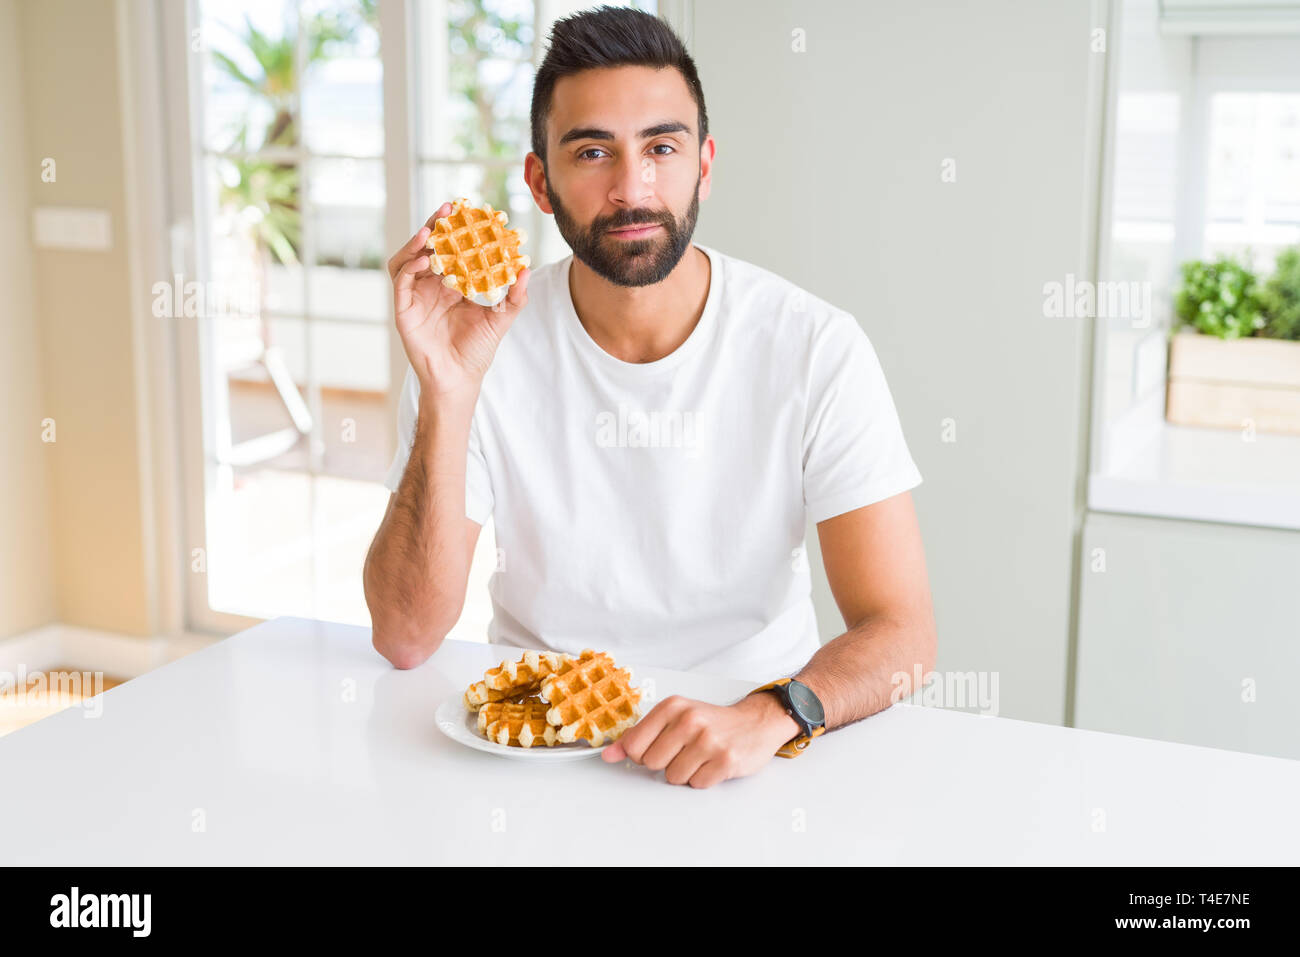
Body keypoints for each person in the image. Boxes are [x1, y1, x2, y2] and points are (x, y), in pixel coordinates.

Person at [364, 5, 936, 788]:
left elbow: (902, 631)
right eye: (592, 151)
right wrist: (448, 393)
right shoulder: (478, 349)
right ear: (539, 181)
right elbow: (403, 636)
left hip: (752, 746)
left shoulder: (815, 348)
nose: (632, 189)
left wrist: (774, 712)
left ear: (704, 164)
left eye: (661, 147)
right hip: (538, 752)